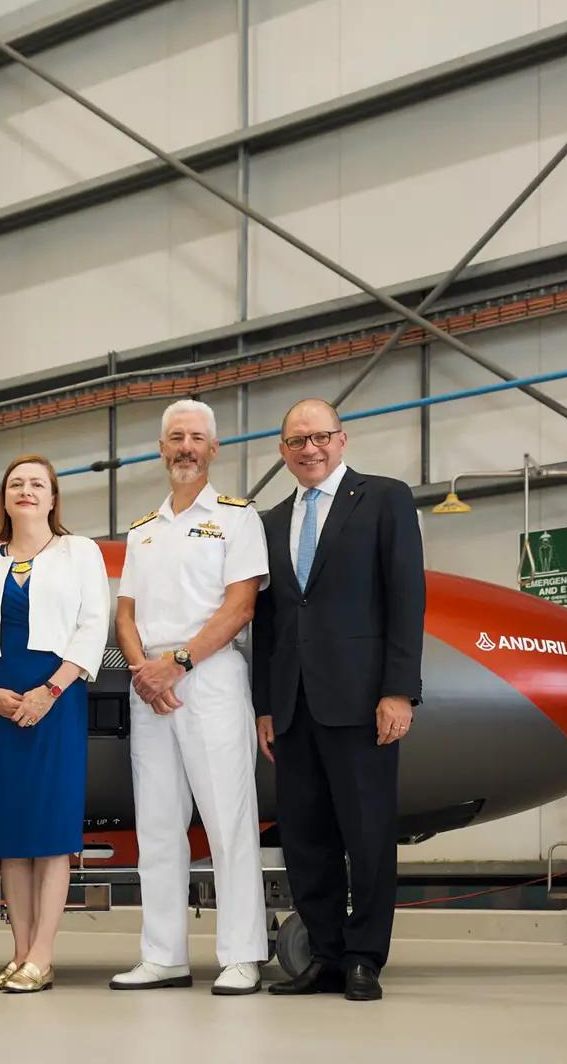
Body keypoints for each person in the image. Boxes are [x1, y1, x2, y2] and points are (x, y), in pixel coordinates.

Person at [252, 399, 424, 1002]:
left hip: (362, 701)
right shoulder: (270, 521)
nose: (310, 449)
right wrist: (265, 706)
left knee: (368, 835)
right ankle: (324, 955)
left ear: (342, 440)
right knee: (306, 838)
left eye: (320, 437)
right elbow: (267, 622)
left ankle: (363, 959)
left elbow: (407, 596)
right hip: (294, 706)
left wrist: (399, 690)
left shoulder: (383, 499)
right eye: (297, 440)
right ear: (282, 451)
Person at [111, 399, 270, 996]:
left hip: (208, 678)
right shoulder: (142, 530)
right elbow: (124, 613)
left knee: (229, 821)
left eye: (195, 437)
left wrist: (176, 663)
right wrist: (143, 669)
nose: (185, 447)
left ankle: (241, 955)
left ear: (213, 448)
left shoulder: (237, 518)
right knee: (156, 825)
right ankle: (163, 954)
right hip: (149, 684)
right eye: (175, 437)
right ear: (161, 448)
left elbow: (241, 605)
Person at [0, 455, 109, 993]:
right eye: (15, 483)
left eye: (36, 484)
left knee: (52, 831)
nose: (25, 491)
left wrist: (50, 690)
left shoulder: (80, 552)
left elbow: (92, 626)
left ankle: (43, 955)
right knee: (11, 834)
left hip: (55, 698)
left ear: (53, 497)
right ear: (4, 497)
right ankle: (20, 955)